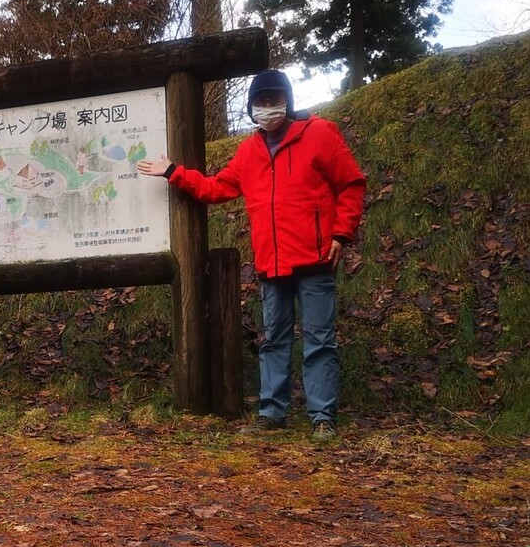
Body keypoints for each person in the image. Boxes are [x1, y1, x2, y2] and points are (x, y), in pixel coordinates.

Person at [137, 69, 366, 441]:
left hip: (316, 256)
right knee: (274, 339)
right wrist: (173, 172)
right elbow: (214, 188)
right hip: (271, 263)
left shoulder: (319, 134)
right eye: (261, 102)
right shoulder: (248, 152)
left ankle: (322, 416)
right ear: (250, 108)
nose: (268, 108)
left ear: (287, 102)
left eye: (274, 100)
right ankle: (271, 413)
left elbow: (351, 183)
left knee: (319, 339)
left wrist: (343, 232)